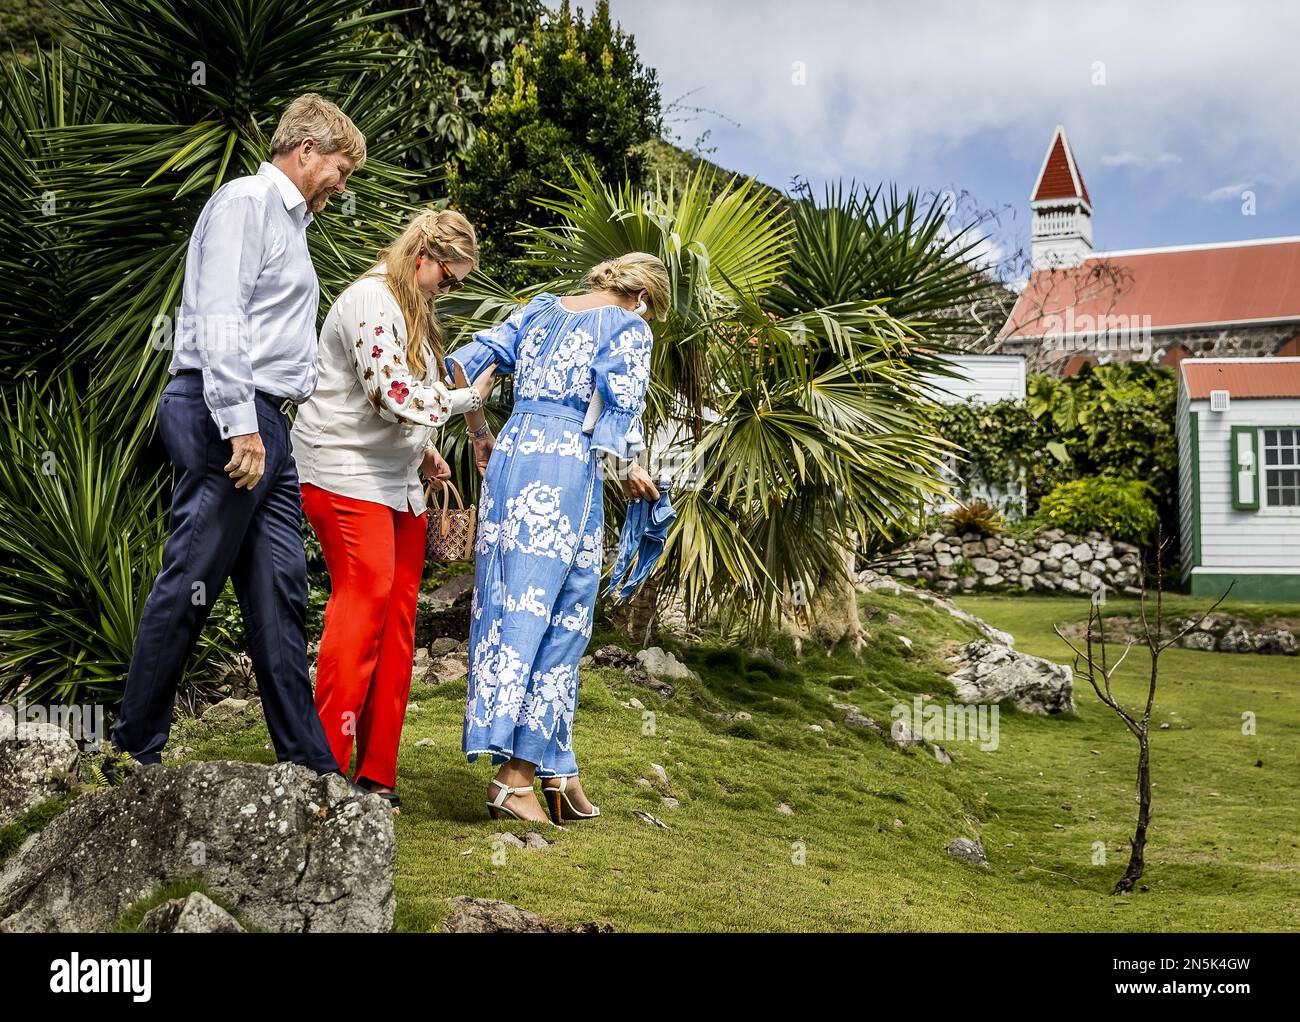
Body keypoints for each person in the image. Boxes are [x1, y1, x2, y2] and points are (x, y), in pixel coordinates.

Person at [110, 94, 364, 777]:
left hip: (268, 424)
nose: (342, 184)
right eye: (340, 168)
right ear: (305, 150)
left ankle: (309, 767)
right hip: (226, 414)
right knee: (190, 576)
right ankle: (132, 751)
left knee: (281, 595)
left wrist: (270, 428)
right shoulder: (246, 203)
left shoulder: (292, 226)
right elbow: (221, 317)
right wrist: (242, 426)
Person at [445, 252, 668, 826]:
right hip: (567, 467)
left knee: (510, 608)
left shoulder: (537, 310)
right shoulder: (629, 327)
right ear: (642, 297)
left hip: (512, 454)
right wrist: (634, 470)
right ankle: (515, 778)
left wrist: (480, 433)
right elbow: (620, 412)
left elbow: (466, 366)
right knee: (560, 621)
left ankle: (558, 770)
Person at [291, 208, 496, 812]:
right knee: (365, 601)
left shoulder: (410, 312)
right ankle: (323, 767)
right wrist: (467, 400)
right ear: (422, 258)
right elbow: (389, 393)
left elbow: (399, 405)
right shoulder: (370, 300)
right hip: (343, 472)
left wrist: (427, 451)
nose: (449, 290)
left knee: (399, 621)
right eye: (449, 278)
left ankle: (376, 773)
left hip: (396, 481)